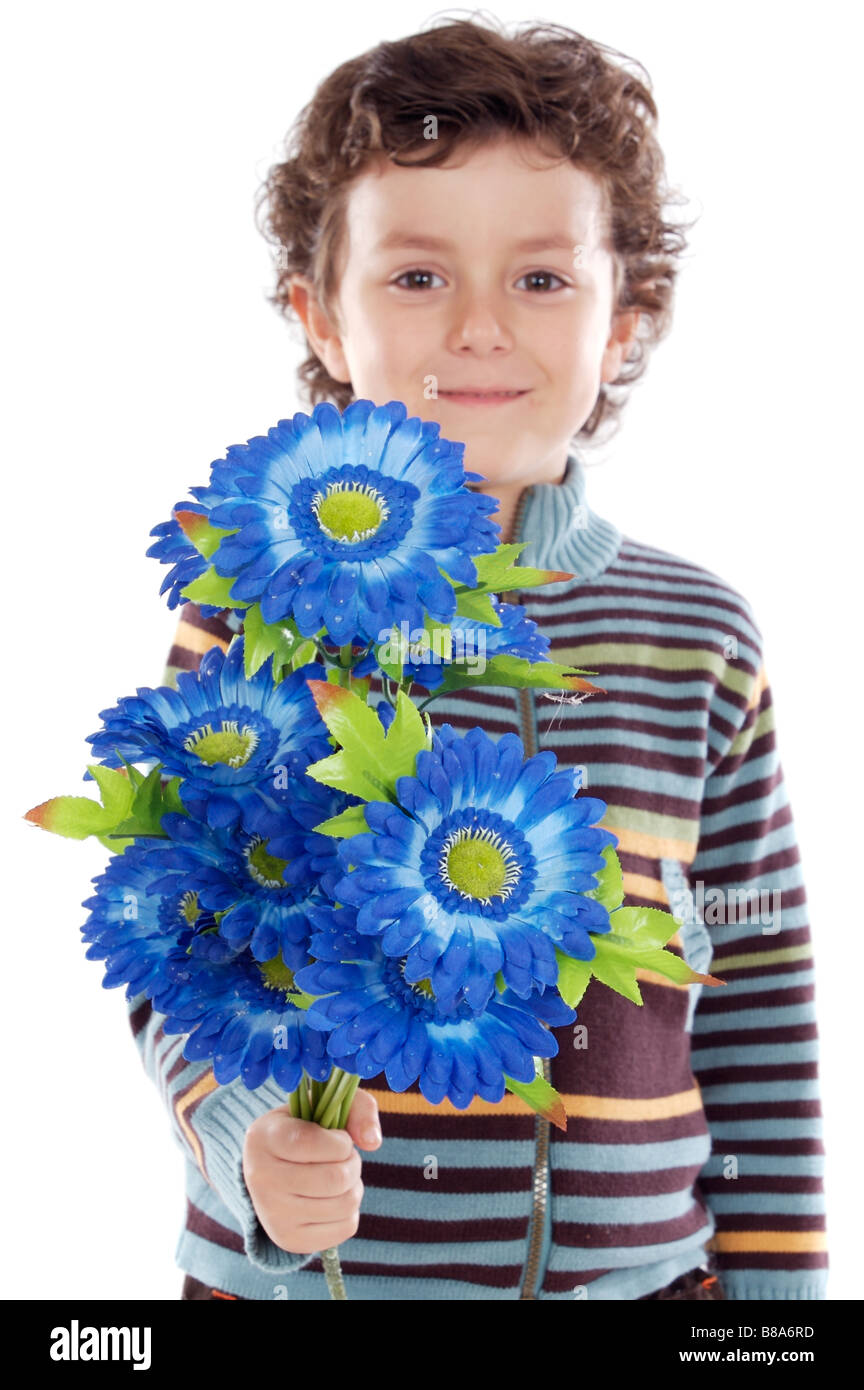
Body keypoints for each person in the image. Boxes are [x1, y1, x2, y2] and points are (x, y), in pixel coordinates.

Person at [130, 16, 828, 1301]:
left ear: (628, 321)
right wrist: (240, 1143)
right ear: (320, 321)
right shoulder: (250, 611)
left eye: (543, 279)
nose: (481, 328)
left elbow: (759, 1018)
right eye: (416, 277)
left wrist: (780, 1319)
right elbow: (173, 944)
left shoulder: (704, 638)